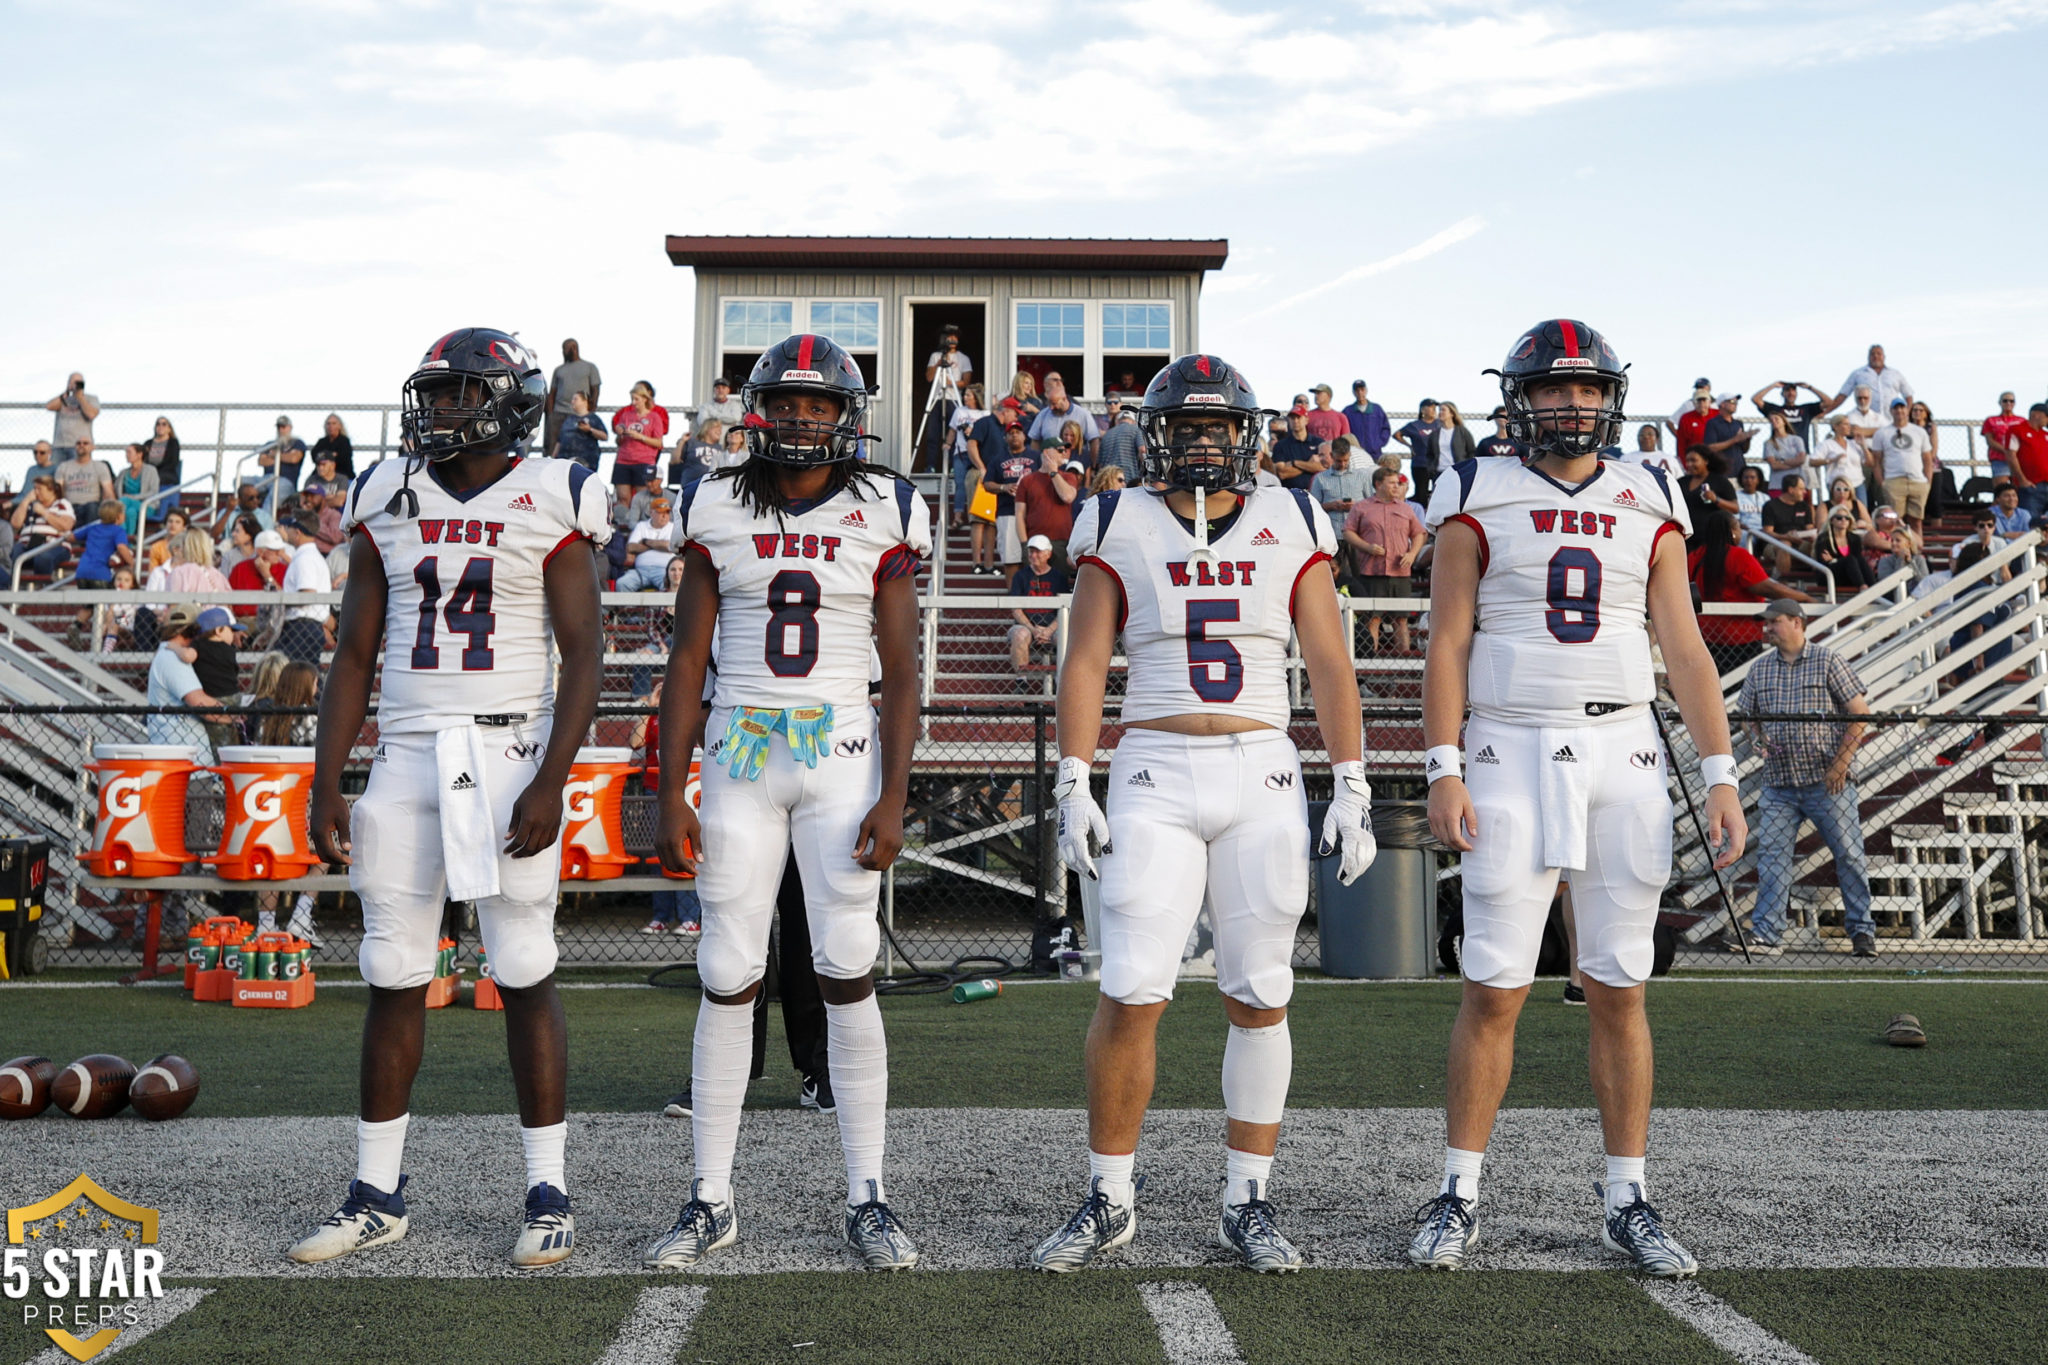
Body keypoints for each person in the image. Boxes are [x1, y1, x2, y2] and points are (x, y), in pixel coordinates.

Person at [1415, 318, 1744, 1278]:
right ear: (1519, 399)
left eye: (1588, 390)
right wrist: (1442, 764)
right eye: (1555, 390)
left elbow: (1683, 645)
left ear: (1611, 397)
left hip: (1622, 745)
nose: (1573, 406)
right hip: (1509, 740)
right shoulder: (1476, 486)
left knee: (1618, 982)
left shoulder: (1649, 487)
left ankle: (1626, 1197)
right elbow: (1447, 638)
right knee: (1493, 985)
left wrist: (1719, 772)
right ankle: (1459, 1190)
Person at [1031, 352, 1371, 1275]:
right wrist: (1073, 776)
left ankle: (1246, 1199)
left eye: (1220, 428)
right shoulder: (1118, 516)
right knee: (1133, 984)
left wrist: (1353, 781)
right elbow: (1087, 661)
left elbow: (1329, 662)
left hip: (1262, 763)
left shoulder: (1292, 514)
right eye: (1187, 427)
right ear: (1157, 436)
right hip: (1153, 765)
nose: (1204, 444)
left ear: (1247, 436)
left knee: (1261, 991)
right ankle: (1110, 1194)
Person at [294, 327, 609, 1271]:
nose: (441, 411)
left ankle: (548, 1191)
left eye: (462, 394)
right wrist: (325, 778)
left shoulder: (550, 490)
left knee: (523, 960)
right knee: (392, 965)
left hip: (509, 746)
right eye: (435, 395)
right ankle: (376, 1192)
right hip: (405, 752)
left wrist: (553, 775)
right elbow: (353, 654)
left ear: (508, 399)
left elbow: (586, 654)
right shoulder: (386, 493)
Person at [643, 331, 928, 1273]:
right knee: (728, 970)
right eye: (788, 402)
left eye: (819, 405)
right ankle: (710, 1197)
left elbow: (901, 666)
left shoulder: (884, 504)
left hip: (841, 746)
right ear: (758, 409)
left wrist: (894, 791)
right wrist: (668, 783)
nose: (802, 419)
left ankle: (868, 1194)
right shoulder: (715, 497)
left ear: (847, 417)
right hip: (738, 748)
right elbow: (688, 657)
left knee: (847, 964)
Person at [1737, 600, 1875, 955]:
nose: (1767, 628)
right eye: (1766, 623)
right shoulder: (1760, 669)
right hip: (1780, 782)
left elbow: (1859, 713)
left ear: (1797, 623)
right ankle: (1767, 934)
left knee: (1848, 855)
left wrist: (1840, 765)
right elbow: (1746, 718)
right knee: (1773, 857)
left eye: (1774, 622)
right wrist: (1758, 742)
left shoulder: (1827, 660)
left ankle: (1861, 931)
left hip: (1826, 782)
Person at [1690, 509, 1813, 671]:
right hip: (1741, 639)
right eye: (1738, 527)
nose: (1740, 531)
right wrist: (1804, 597)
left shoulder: (1694, 556)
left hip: (1706, 636)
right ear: (1732, 532)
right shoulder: (1738, 556)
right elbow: (1769, 588)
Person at [1343, 466, 1427, 651]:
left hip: (1400, 572)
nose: (1397, 487)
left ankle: (1403, 663)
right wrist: (1367, 547)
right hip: (1371, 572)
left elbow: (1420, 534)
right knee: (1373, 618)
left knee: (1401, 619)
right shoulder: (1361, 507)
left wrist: (1412, 554)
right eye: (1392, 483)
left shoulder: (1406, 509)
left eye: (1398, 483)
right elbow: (1348, 532)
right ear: (1378, 484)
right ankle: (1370, 661)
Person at [145, 604, 222, 761]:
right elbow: (199, 702)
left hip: (180, 753)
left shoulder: (168, 653)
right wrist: (235, 715)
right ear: (193, 631)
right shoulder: (173, 657)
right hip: (183, 757)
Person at [1014, 445, 1084, 572]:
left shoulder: (1069, 476)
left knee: (1060, 584)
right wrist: (1024, 544)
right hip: (1034, 541)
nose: (1064, 453)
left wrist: (1053, 473)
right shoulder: (1027, 480)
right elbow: (1019, 514)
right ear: (1046, 452)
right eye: (1060, 450)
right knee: (1034, 584)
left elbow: (1067, 496)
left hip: (1061, 542)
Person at [276, 515, 332, 663]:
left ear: (297, 532)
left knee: (298, 675)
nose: (286, 532)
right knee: (302, 675)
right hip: (304, 626)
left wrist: (281, 602)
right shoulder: (307, 556)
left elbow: (307, 594)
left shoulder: (306, 558)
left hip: (302, 627)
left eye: (288, 529)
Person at [1007, 534, 1067, 672]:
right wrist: (1033, 629)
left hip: (1052, 626)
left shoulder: (1059, 578)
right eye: (1031, 552)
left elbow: (1064, 608)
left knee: (1064, 637)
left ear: (1048, 554)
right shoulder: (1020, 576)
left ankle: (1062, 679)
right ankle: (1021, 680)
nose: (1033, 555)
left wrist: (1049, 630)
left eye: (1037, 552)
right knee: (1019, 634)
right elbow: (1016, 609)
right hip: (1026, 625)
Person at [1875, 398, 1935, 534]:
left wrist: (1928, 481)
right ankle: (1897, 551)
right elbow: (1877, 461)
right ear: (1891, 411)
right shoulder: (1882, 433)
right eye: (1896, 408)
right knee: (1895, 521)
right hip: (1894, 479)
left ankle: (1917, 551)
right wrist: (1882, 483)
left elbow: (1927, 458)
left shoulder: (1919, 432)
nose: (1899, 411)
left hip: (1917, 480)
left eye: (1902, 407)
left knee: (1916, 520)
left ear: (1907, 410)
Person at [985, 421, 1039, 572]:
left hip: (1033, 512)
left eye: (1017, 432)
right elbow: (987, 484)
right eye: (1011, 433)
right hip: (1007, 512)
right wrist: (1003, 487)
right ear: (1005, 438)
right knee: (1011, 558)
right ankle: (1013, 593)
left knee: (1034, 557)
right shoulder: (998, 459)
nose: (1014, 436)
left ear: (1024, 436)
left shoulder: (1036, 456)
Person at [612, 381, 669, 511]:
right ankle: (622, 526)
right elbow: (618, 441)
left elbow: (659, 443)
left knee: (641, 498)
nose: (633, 402)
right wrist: (620, 434)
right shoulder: (626, 415)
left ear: (644, 399)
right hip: (623, 460)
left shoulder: (654, 417)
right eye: (632, 399)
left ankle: (640, 525)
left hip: (643, 461)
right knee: (623, 498)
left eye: (636, 399)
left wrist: (640, 437)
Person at [10, 477, 75, 581]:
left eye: (39, 489)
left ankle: (42, 588)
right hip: (28, 545)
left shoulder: (62, 504)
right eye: (34, 488)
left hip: (54, 545)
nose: (35, 492)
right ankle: (11, 586)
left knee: (43, 557)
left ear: (51, 490)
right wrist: (26, 500)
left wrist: (44, 513)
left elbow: (66, 525)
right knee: (15, 551)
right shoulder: (29, 505)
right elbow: (15, 524)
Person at [545, 339, 602, 457]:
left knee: (580, 447)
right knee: (554, 446)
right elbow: (552, 393)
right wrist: (551, 415)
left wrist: (591, 410)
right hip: (559, 413)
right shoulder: (559, 370)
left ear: (574, 348)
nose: (564, 351)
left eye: (565, 348)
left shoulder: (589, 367)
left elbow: (595, 389)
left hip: (580, 414)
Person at [1027, 372, 1100, 462]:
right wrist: (1036, 463)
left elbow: (1094, 440)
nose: (1051, 407)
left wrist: (1093, 465)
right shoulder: (1043, 414)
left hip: (1075, 465)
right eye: (1049, 403)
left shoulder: (1083, 414)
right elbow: (1035, 441)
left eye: (1054, 403)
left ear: (1064, 399)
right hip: (1050, 465)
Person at [1825, 343, 1912, 417]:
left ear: (1884, 356)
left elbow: (1908, 395)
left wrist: (1907, 412)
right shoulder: (1858, 374)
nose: (1875, 356)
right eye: (1872, 354)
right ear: (1868, 357)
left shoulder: (1895, 374)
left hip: (1892, 419)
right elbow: (1842, 395)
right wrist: (1826, 412)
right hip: (1868, 421)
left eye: (1878, 354)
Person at [1311, 437, 1373, 539]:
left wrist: (1356, 505)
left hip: (1358, 535)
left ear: (1350, 456)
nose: (1343, 464)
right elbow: (1314, 507)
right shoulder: (1320, 478)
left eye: (1346, 460)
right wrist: (1332, 505)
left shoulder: (1362, 476)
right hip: (1332, 534)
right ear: (1331, 455)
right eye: (1338, 461)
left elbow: (1372, 503)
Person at [1678, 447, 1737, 550]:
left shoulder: (1720, 481)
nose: (1689, 464)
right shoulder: (1681, 482)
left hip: (1710, 536)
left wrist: (1716, 499)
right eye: (1687, 461)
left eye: (1693, 460)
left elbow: (1735, 508)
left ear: (1706, 461)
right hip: (1686, 536)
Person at [1759, 474, 1818, 575]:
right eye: (1801, 489)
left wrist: (1812, 536)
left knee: (1819, 543)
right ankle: (1783, 582)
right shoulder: (1771, 506)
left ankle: (1821, 579)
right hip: (1775, 543)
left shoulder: (1804, 506)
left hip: (1800, 542)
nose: (1805, 492)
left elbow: (1810, 528)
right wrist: (1786, 537)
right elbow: (1768, 532)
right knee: (1785, 545)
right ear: (1791, 490)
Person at [617, 495, 678, 591]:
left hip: (664, 570)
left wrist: (645, 541)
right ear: (651, 513)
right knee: (622, 583)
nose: (664, 516)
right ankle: (628, 607)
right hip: (641, 571)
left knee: (671, 584)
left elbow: (669, 546)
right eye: (660, 512)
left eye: (667, 512)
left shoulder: (673, 527)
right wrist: (658, 545)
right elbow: (631, 547)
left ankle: (666, 607)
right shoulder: (642, 526)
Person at [55, 438, 116, 524]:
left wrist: (112, 509)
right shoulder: (64, 466)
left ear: (92, 447)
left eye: (85, 443)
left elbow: (108, 491)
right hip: (69, 506)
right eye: (78, 443)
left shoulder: (100, 466)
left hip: (91, 507)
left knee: (92, 508)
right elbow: (57, 490)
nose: (81, 445)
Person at [1394, 398, 1442, 504]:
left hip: (1437, 464)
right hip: (1420, 464)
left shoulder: (1440, 424)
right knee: (1421, 494)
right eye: (1431, 407)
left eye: (1435, 407)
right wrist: (1409, 446)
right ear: (1423, 410)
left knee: (1439, 492)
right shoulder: (1415, 425)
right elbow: (1397, 434)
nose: (1434, 410)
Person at [1750, 381, 1827, 446]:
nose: (1791, 393)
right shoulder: (1775, 410)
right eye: (1787, 391)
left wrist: (1810, 387)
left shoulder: (1806, 409)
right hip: (1781, 453)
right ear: (1782, 394)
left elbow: (1828, 402)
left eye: (1793, 390)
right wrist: (1773, 386)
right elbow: (1755, 399)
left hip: (1802, 453)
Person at [1816, 508, 1876, 591]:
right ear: (1832, 520)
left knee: (1860, 560)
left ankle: (1875, 587)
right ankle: (1863, 587)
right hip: (1830, 575)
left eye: (1846, 518)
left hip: (1851, 574)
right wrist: (1838, 561)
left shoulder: (1854, 538)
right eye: (1839, 517)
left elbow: (1857, 559)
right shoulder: (1823, 538)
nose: (1843, 520)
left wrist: (1834, 559)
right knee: (1850, 559)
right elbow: (1823, 560)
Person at [1269, 407, 1327, 492]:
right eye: (1292, 418)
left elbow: (1323, 467)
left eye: (1299, 417)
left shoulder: (1319, 443)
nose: (1295, 421)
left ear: (1306, 420)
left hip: (1316, 493)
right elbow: (1282, 473)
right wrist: (1310, 464)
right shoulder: (1280, 445)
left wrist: (1295, 463)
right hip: (1290, 494)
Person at [550, 391, 606, 472]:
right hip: (564, 462)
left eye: (575, 399)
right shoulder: (569, 419)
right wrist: (553, 458)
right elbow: (560, 440)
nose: (572, 402)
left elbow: (604, 436)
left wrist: (590, 429)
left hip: (586, 463)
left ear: (584, 401)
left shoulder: (594, 418)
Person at [116, 443, 161, 538]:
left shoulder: (151, 470)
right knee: (131, 512)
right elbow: (117, 489)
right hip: (127, 507)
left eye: (129, 452)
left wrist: (133, 497)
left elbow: (154, 491)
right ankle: (129, 539)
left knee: (124, 500)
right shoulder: (123, 473)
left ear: (139, 454)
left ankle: (121, 535)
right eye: (126, 452)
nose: (126, 455)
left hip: (146, 505)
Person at [1982, 391, 2027, 484]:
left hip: (2019, 459)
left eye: (2011, 401)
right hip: (2000, 459)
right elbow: (1990, 440)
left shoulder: (2022, 421)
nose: (2008, 403)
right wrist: (2007, 451)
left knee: (2020, 487)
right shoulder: (1991, 420)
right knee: (2001, 488)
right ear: (2000, 402)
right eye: (2005, 401)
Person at [1701, 393, 1754, 473]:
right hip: (1722, 471)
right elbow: (1710, 447)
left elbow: (1743, 450)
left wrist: (1747, 439)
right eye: (1732, 401)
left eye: (1736, 402)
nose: (1735, 404)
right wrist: (1734, 440)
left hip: (1740, 470)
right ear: (1722, 404)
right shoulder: (1713, 423)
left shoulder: (1738, 423)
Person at [1812, 416, 1864, 496]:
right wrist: (1831, 460)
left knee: (1861, 507)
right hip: (1838, 485)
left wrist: (1863, 446)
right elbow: (1812, 461)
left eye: (1849, 424)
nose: (1849, 427)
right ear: (1835, 426)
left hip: (1857, 483)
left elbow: (1869, 462)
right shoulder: (1826, 444)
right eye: (1845, 424)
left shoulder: (1853, 443)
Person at [48, 373, 100, 449]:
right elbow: (49, 407)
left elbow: (91, 414)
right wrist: (66, 392)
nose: (76, 385)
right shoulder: (63, 399)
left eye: (79, 382)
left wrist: (80, 397)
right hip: (60, 444)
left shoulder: (91, 398)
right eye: (73, 382)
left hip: (80, 445)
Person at [1342, 380, 1391, 457]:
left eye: (1362, 389)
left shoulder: (1376, 409)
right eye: (1357, 390)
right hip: (1354, 454)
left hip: (1375, 454)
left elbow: (1385, 428)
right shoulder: (1348, 411)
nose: (1360, 392)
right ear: (1353, 392)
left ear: (1366, 390)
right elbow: (1344, 432)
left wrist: (1377, 444)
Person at [1759, 410, 1806, 491]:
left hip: (1796, 484)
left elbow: (1801, 460)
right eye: (1771, 420)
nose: (1774, 421)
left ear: (1784, 422)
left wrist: (1782, 461)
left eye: (1776, 419)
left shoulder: (1797, 439)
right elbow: (1774, 465)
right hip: (1777, 485)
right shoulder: (1769, 443)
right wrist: (1794, 462)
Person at [264, 417, 311, 493]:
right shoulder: (270, 444)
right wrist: (285, 457)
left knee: (277, 489)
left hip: (286, 481)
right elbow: (262, 461)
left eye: (283, 427)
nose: (280, 430)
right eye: (278, 427)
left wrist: (274, 455)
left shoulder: (297, 443)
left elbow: (294, 459)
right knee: (244, 482)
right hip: (266, 479)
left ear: (290, 428)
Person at [1669, 390, 1713, 467]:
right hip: (1695, 462)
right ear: (1693, 403)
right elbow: (1681, 444)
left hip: (1715, 460)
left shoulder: (1718, 414)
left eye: (1704, 400)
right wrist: (1686, 465)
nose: (1702, 403)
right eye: (1698, 401)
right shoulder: (1686, 418)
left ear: (1710, 402)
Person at [142, 415, 183, 488]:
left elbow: (172, 462)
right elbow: (142, 460)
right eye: (158, 424)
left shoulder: (173, 443)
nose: (160, 426)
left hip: (166, 474)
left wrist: (155, 472)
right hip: (149, 473)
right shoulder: (148, 443)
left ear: (169, 429)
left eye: (164, 424)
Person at [310, 413, 354, 480]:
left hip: (343, 475)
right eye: (328, 424)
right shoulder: (322, 441)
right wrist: (332, 455)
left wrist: (324, 455)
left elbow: (343, 458)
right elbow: (314, 456)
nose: (331, 426)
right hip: (322, 477)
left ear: (339, 426)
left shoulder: (344, 441)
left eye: (334, 423)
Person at [1734, 465, 1769, 542]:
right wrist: (1751, 530)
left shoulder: (1765, 497)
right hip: (1745, 531)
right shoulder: (1735, 496)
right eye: (1746, 477)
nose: (1749, 480)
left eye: (1752, 477)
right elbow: (1735, 520)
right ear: (1741, 479)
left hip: (1764, 531)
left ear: (1758, 480)